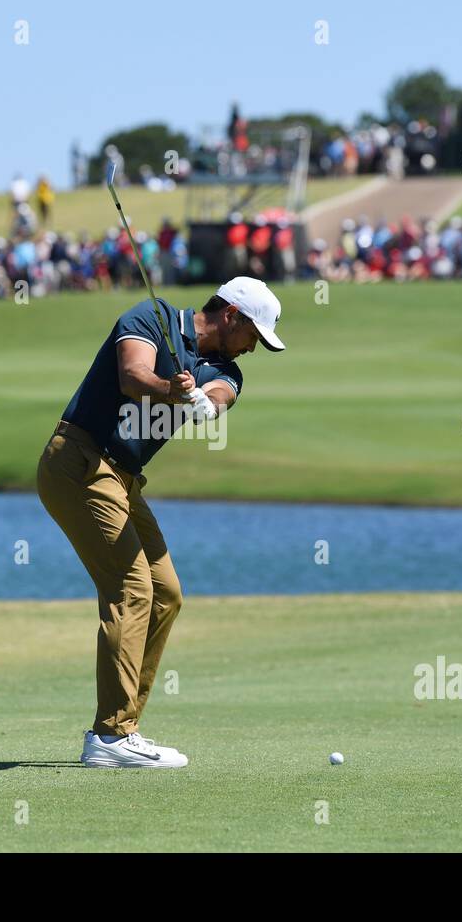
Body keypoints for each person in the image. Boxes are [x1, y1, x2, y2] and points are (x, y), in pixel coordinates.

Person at [36, 277, 284, 768]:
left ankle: (124, 727)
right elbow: (132, 376)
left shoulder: (226, 368)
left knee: (165, 593)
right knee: (132, 589)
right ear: (231, 314)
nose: (254, 347)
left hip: (124, 478)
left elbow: (220, 396)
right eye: (253, 333)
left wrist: (203, 402)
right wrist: (171, 390)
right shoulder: (151, 318)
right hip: (79, 462)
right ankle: (110, 737)